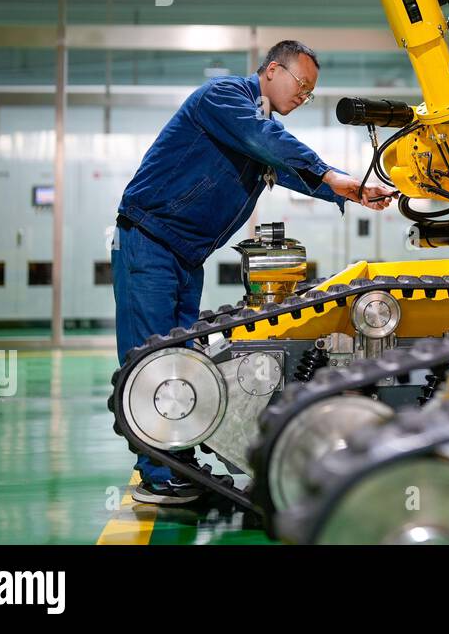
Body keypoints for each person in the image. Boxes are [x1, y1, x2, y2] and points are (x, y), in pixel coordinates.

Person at [111, 40, 393, 504]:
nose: (304, 96)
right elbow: (269, 142)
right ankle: (156, 473)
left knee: (182, 360)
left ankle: (176, 461)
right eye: (301, 84)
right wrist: (331, 174)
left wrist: (350, 190)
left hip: (184, 255)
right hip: (149, 241)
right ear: (270, 70)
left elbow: (286, 165)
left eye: (310, 91)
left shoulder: (255, 128)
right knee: (151, 360)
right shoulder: (224, 98)